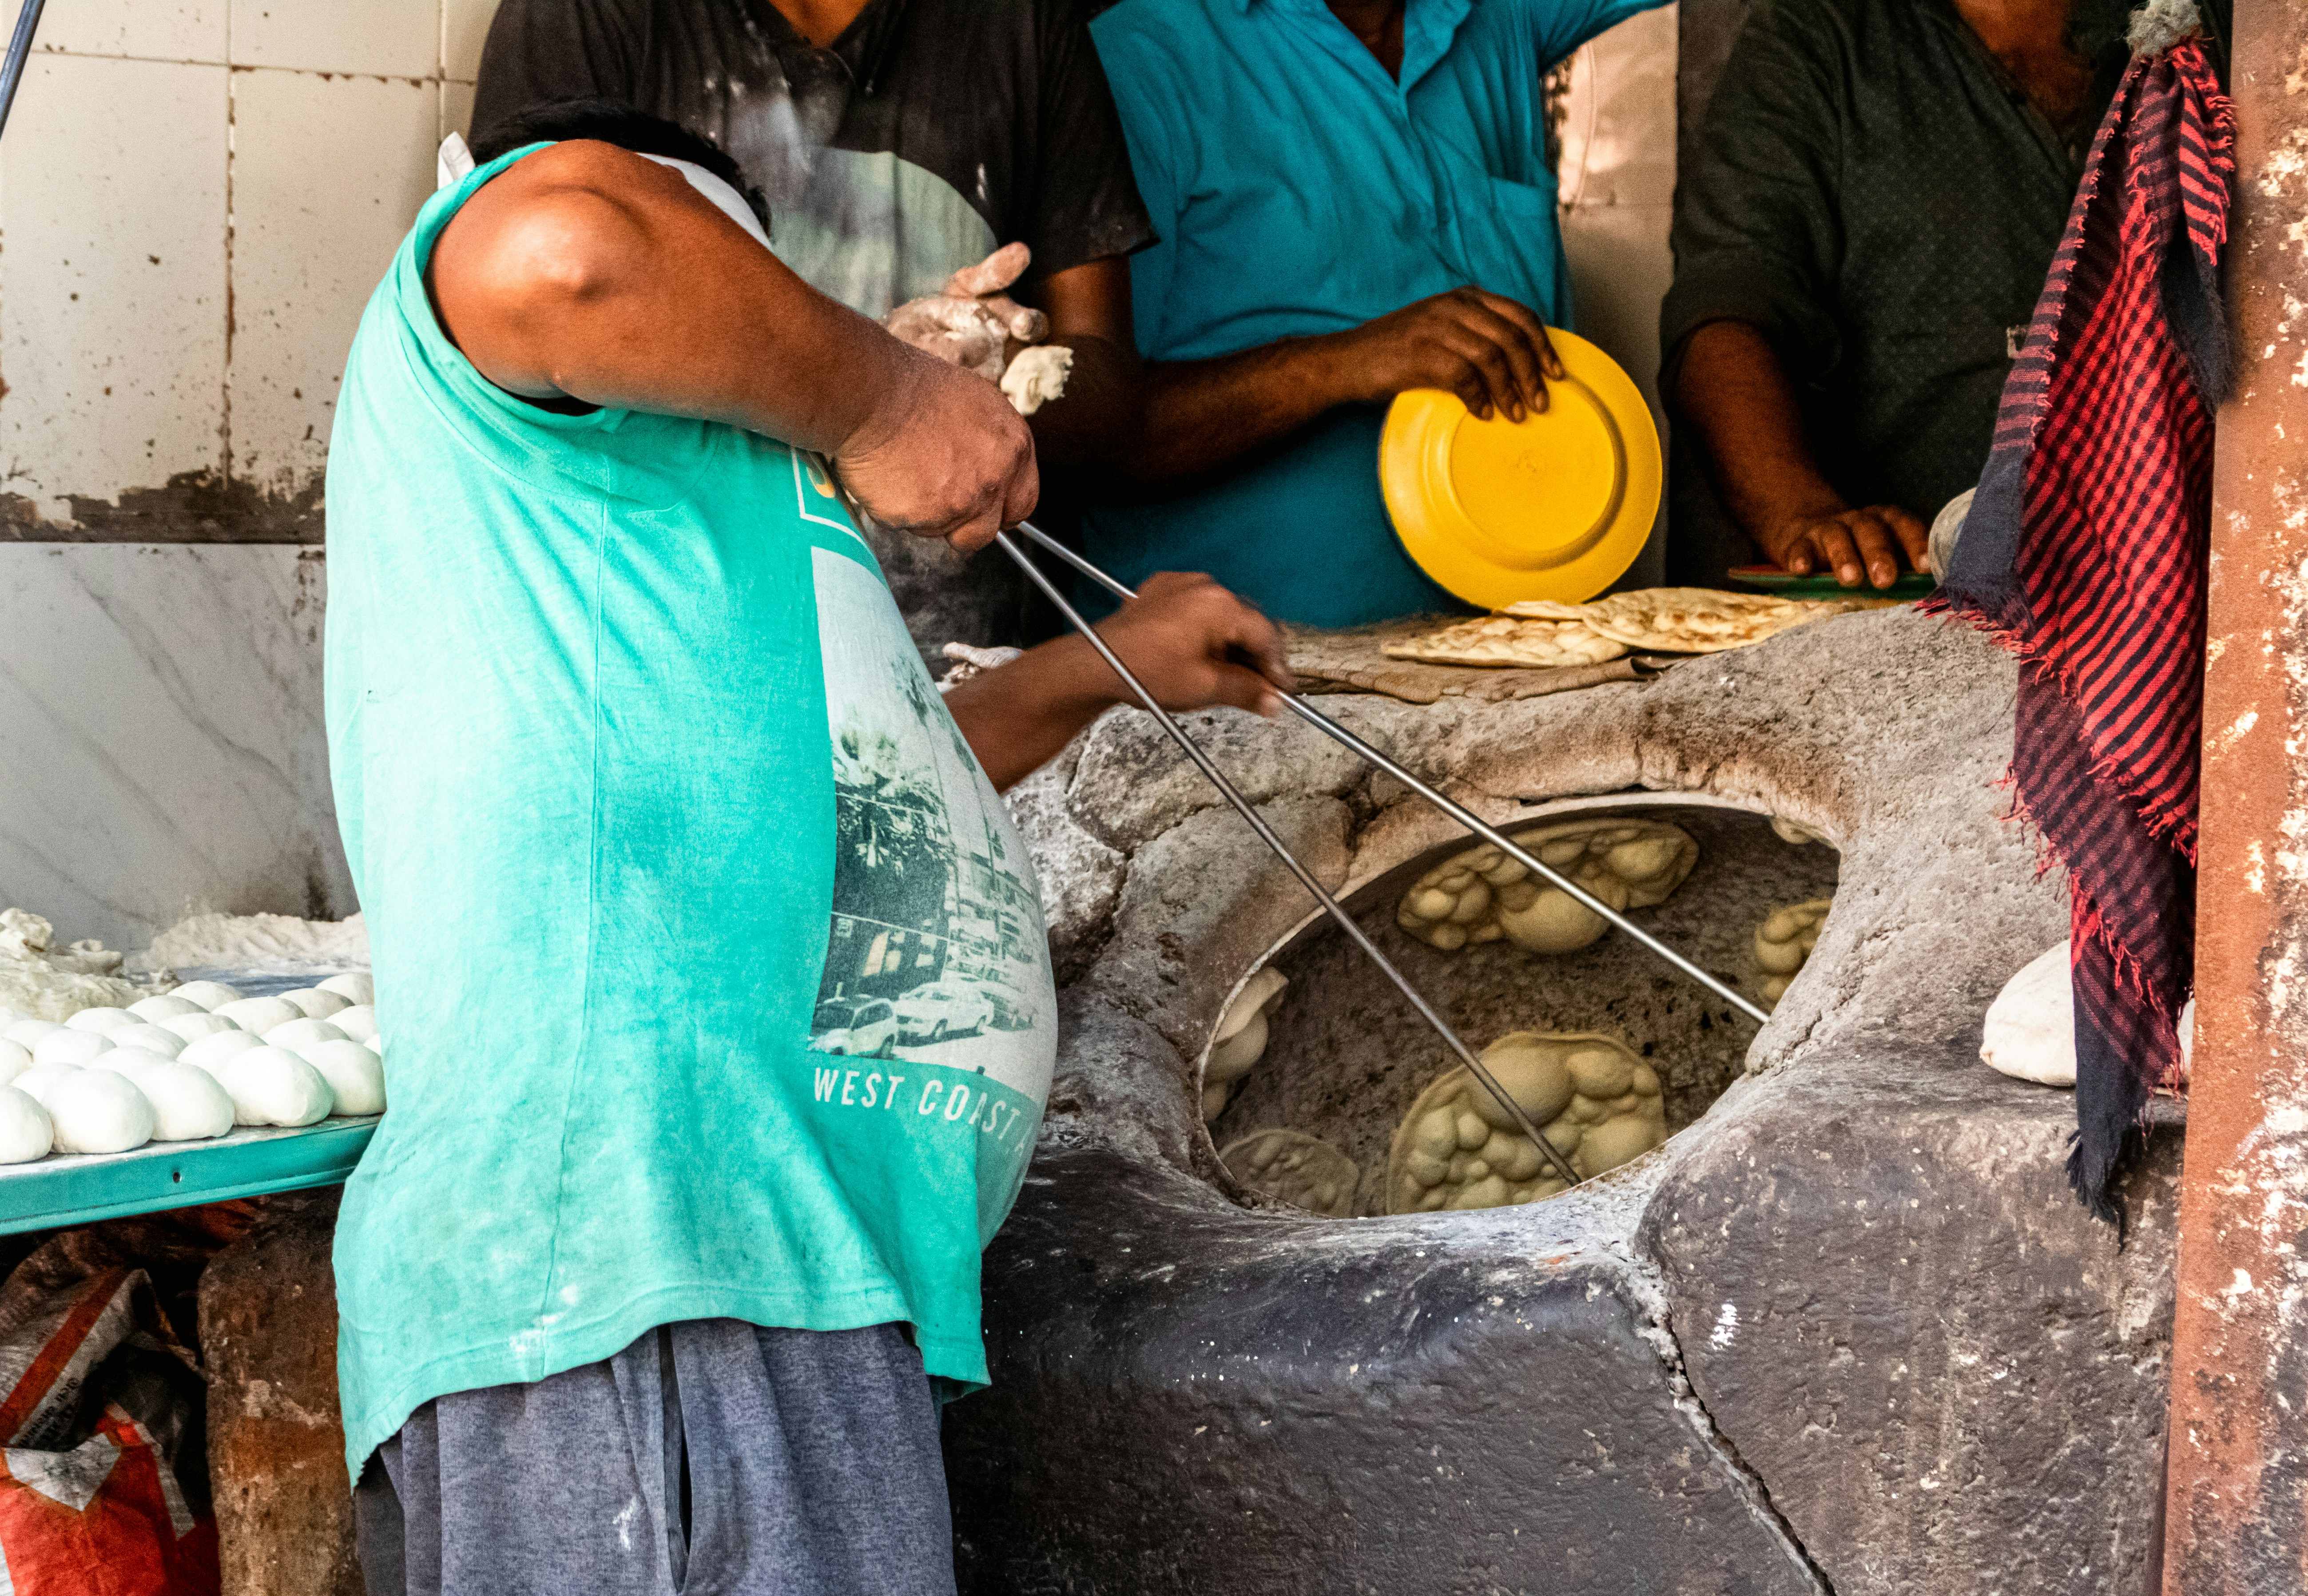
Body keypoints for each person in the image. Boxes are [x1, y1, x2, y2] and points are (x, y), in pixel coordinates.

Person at [326, 116, 1290, 1595]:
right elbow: (576, 246)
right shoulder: (519, 269)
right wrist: (885, 393)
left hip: (784, 1277)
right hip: (644, 1287)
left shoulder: (689, 505)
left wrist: (1109, 662)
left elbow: (855, 800)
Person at [468, 0, 1159, 659]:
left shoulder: (1021, 22)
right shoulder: (585, 16)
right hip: (684, 657)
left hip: (957, 673)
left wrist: (999, 379)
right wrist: (884, 395)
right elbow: (546, 273)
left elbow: (1111, 396)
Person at [1081, 0, 1665, 628]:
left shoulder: (1498, 16)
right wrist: (1336, 366)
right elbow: (1085, 439)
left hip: (1516, 660)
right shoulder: (1141, 57)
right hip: (1242, 688)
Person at [1660, 0, 2224, 589]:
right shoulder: (1818, 36)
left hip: (2188, 596)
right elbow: (1725, 304)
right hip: (1903, 601)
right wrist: (1801, 512)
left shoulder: (2208, 24)